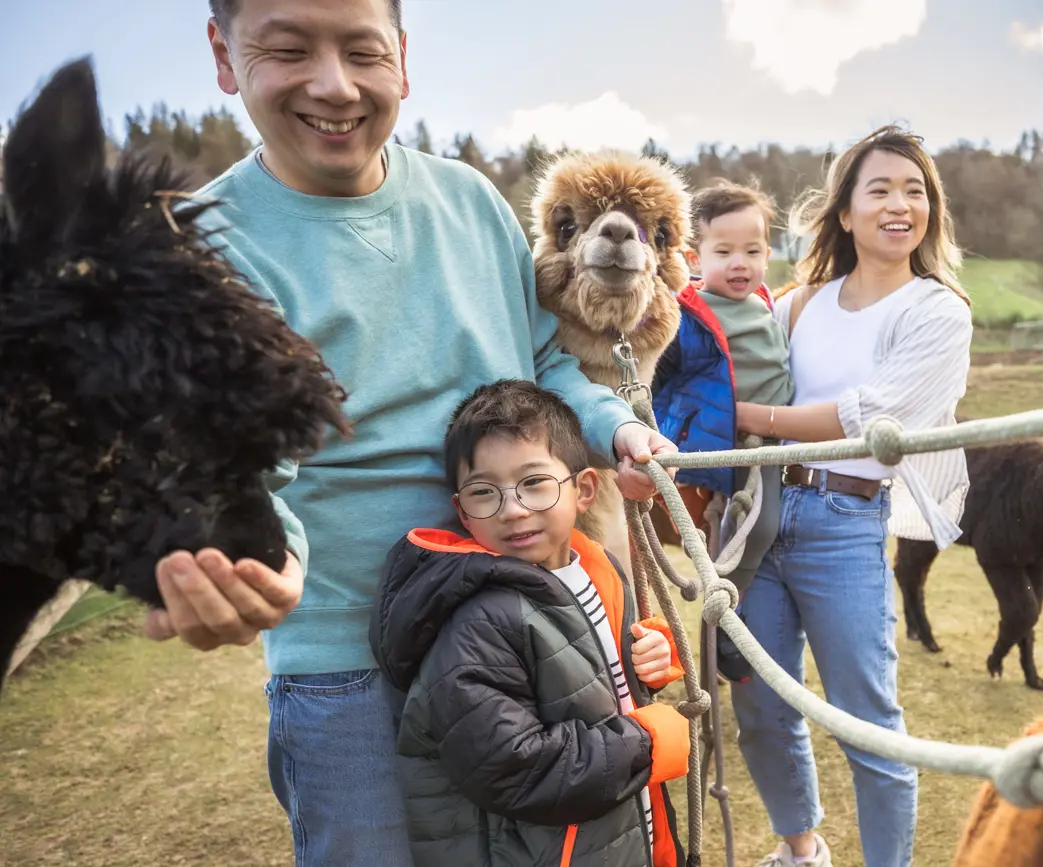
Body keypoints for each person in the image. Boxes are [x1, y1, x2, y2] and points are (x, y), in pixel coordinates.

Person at [142, 2, 677, 864]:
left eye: (363, 51)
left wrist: (615, 429)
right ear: (223, 53)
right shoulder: (199, 249)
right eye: (287, 50)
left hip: (535, 624)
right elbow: (231, 467)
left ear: (402, 56)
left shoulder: (469, 200)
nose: (334, 85)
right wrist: (248, 557)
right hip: (351, 665)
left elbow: (549, 364)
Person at [729, 126, 974, 867]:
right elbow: (733, 366)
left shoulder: (937, 311)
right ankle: (802, 849)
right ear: (844, 212)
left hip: (845, 520)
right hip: (765, 517)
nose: (901, 204)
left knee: (868, 720)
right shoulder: (798, 306)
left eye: (916, 191)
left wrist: (752, 419)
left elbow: (871, 420)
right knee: (760, 703)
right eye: (881, 189)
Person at [370, 379, 690, 866]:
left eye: (534, 483)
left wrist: (645, 658)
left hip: (616, 836)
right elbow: (515, 767)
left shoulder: (595, 568)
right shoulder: (478, 619)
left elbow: (587, 674)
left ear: (583, 488)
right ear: (462, 510)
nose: (514, 509)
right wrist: (648, 743)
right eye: (484, 492)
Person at [650, 180, 794, 683]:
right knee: (751, 530)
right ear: (695, 256)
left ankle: (727, 623)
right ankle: (725, 629)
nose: (740, 263)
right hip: (728, 445)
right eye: (724, 251)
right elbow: (659, 372)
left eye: (752, 251)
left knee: (753, 530)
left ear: (768, 254)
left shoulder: (764, 300)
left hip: (772, 444)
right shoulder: (687, 314)